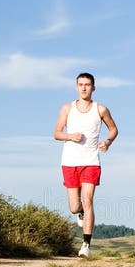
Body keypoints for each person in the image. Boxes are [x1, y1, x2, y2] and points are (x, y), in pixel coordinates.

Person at [54, 72, 118, 257]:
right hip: (69, 162)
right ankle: (80, 212)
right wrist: (70, 136)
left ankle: (86, 245)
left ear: (93, 88)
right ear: (76, 87)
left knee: (88, 200)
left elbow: (113, 129)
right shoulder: (67, 108)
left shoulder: (100, 109)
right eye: (80, 84)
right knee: (75, 206)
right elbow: (57, 133)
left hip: (91, 161)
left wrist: (107, 142)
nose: (84, 87)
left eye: (87, 84)